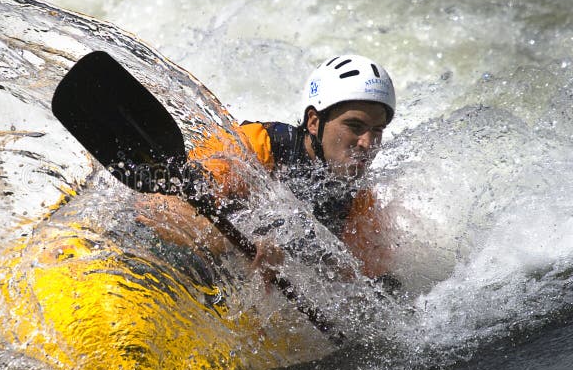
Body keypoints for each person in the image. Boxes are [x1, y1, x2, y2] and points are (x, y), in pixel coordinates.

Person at [137, 54, 397, 284]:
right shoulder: (258, 146)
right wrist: (238, 245)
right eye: (354, 126)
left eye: (377, 130)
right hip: (171, 258)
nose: (367, 143)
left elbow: (370, 285)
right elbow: (160, 207)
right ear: (315, 122)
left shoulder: (358, 203)